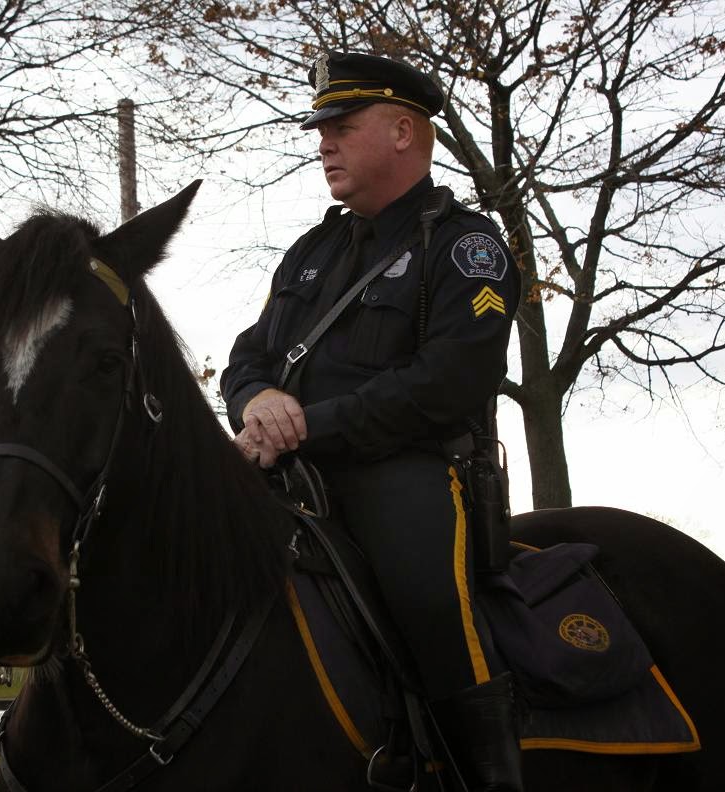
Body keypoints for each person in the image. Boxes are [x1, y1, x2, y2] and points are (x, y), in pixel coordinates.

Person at [220, 51, 522, 792]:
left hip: (406, 473)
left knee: (428, 598)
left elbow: (448, 384)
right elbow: (247, 356)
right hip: (281, 471)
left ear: (401, 131)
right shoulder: (311, 250)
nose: (323, 142)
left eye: (341, 126)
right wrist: (255, 402)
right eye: (322, 128)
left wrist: (308, 425)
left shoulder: (467, 248)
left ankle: (487, 777)